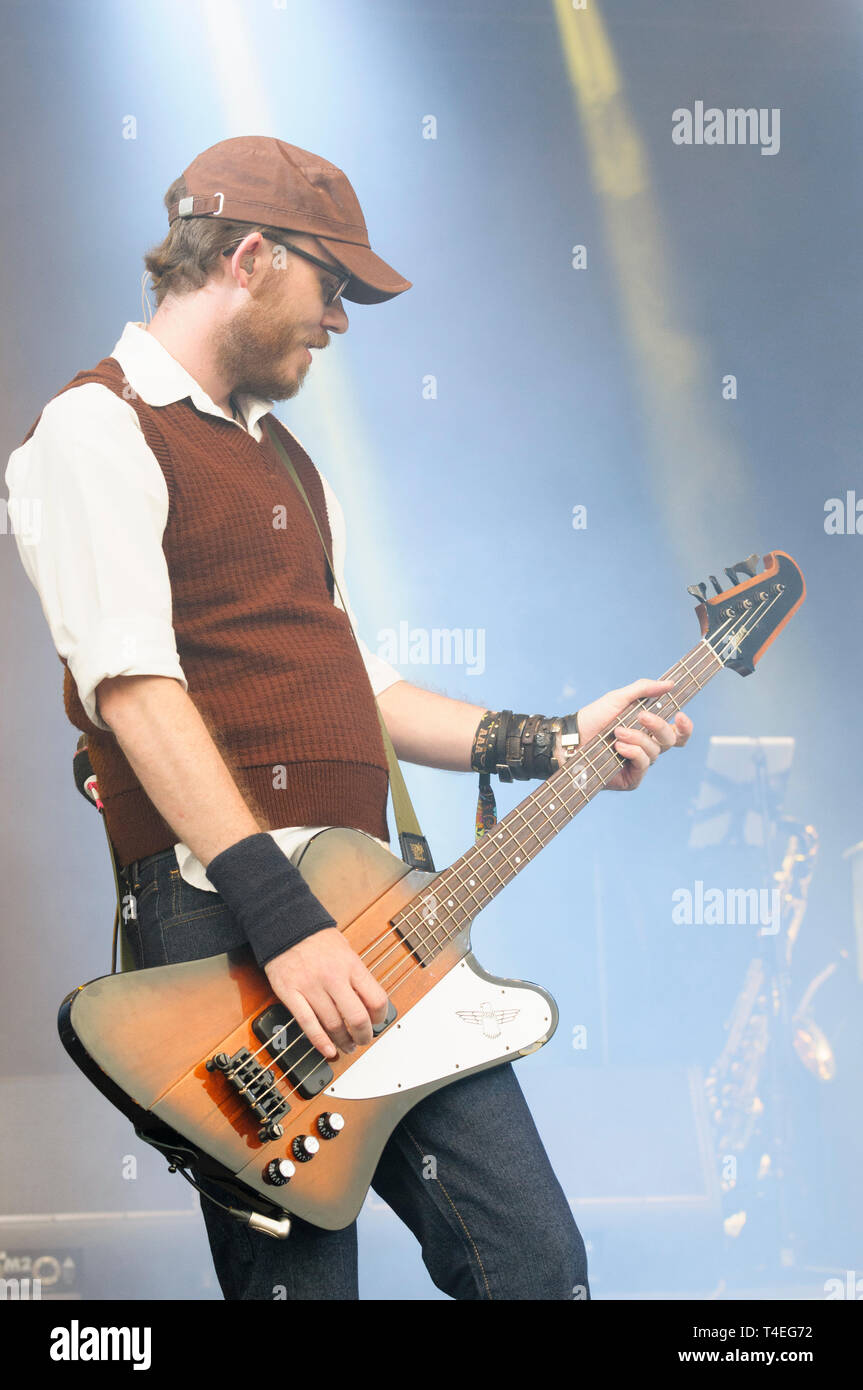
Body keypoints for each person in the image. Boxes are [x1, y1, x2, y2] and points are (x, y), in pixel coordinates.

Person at [5, 135, 692, 1301]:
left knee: (532, 1267)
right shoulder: (95, 429)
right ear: (254, 255)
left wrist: (551, 739)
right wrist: (284, 921)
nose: (339, 321)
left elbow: (357, 690)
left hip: (366, 928)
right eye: (333, 288)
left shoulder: (285, 461)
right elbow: (134, 693)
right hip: (234, 935)